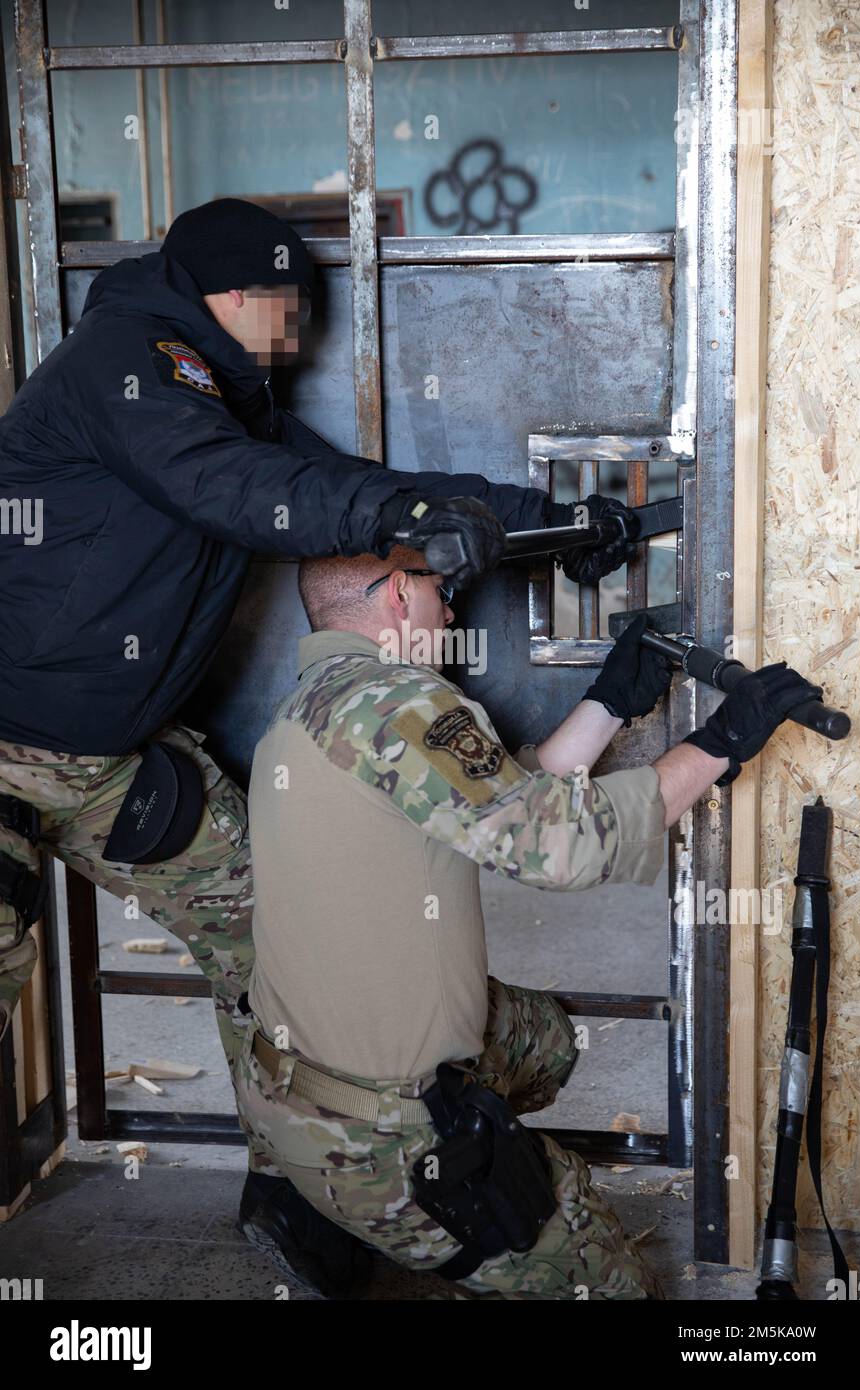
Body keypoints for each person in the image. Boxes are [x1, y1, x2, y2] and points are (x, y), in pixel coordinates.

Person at [0, 197, 630, 1294]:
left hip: (106, 760)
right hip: (5, 745)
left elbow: (350, 496)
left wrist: (545, 520)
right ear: (236, 300)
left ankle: (305, 1187)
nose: (298, 333)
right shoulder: (129, 363)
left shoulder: (222, 393)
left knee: (272, 947)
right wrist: (448, 517)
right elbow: (253, 494)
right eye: (289, 309)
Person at [233, 545, 822, 1300]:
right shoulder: (402, 704)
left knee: (545, 1041)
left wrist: (610, 702)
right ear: (395, 597)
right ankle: (401, 1217)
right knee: (615, 1289)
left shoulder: (317, 705)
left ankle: (358, 1210)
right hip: (372, 1140)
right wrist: (719, 745)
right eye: (439, 590)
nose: (450, 609)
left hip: (287, 1091)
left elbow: (502, 801)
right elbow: (560, 848)